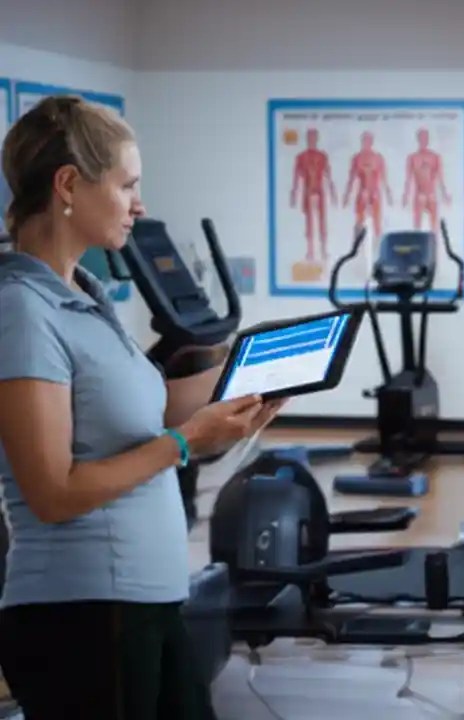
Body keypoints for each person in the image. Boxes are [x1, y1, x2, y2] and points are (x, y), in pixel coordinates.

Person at [0, 95, 285, 719]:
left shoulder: (85, 293)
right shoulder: (22, 310)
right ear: (69, 184)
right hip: (82, 614)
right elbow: (52, 492)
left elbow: (153, 405)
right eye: (127, 184)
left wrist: (245, 378)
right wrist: (186, 444)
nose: (140, 204)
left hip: (141, 602)